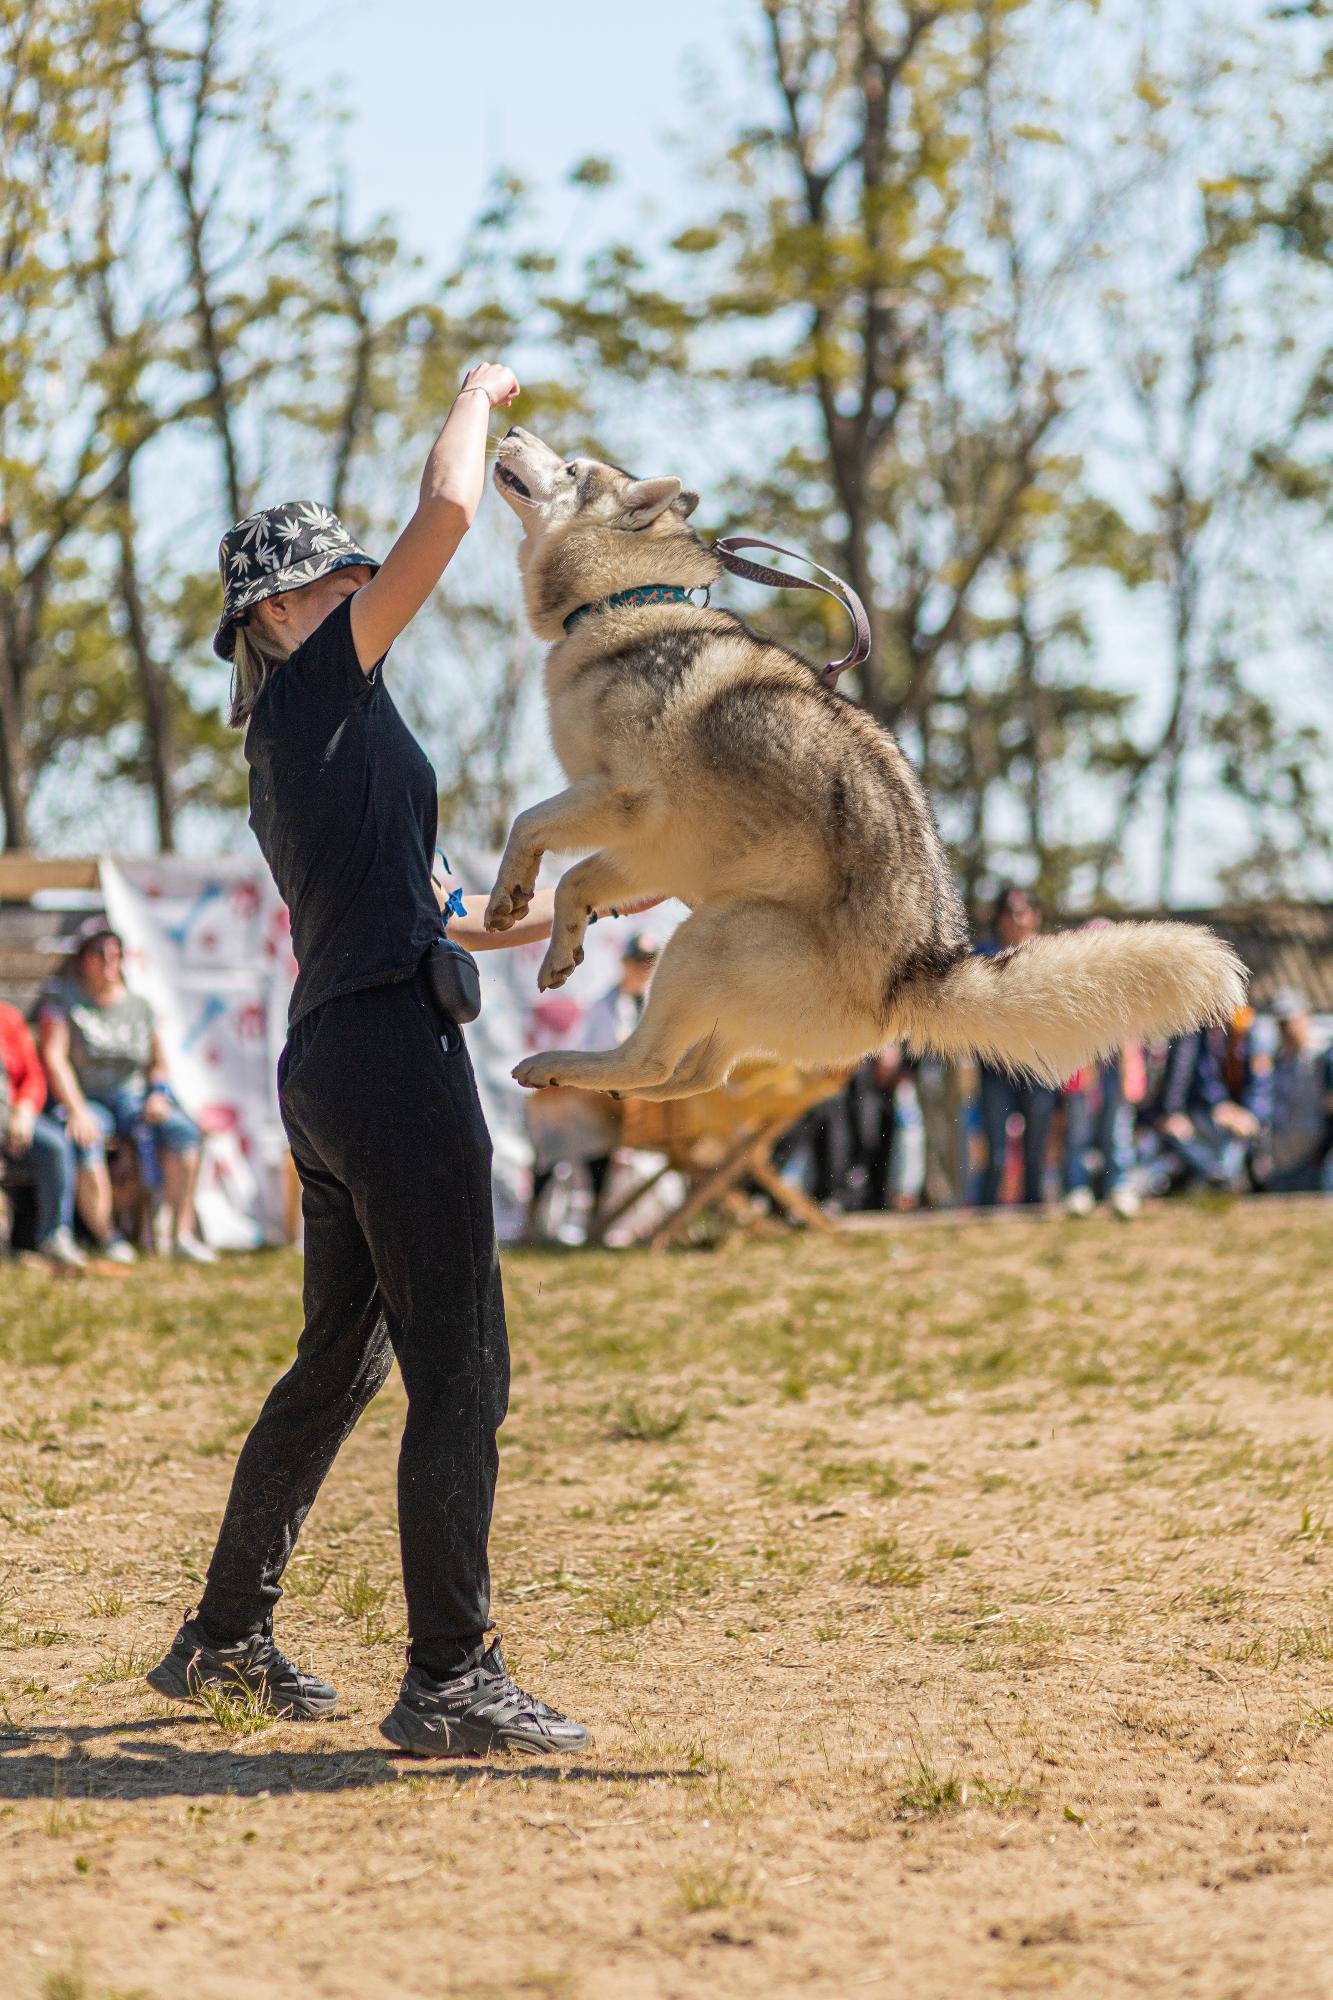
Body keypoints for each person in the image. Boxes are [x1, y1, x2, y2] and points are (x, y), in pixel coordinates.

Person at [147, 360, 591, 1760]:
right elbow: (450, 513)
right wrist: (477, 388)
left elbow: (458, 913)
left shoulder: (338, 728)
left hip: (343, 1053)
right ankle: (452, 1679)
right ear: (274, 613)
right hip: (387, 1061)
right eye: (330, 579)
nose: (355, 586)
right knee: (464, 1370)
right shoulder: (315, 694)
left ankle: (224, 1638)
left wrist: (591, 897)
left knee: (341, 1359)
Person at [38, 921, 212, 1264]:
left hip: (134, 1099)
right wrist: (76, 1109)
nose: (108, 959)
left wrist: (159, 1093)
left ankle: (182, 1236)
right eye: (99, 952)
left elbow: (158, 1061)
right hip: (88, 1098)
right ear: (82, 958)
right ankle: (109, 1236)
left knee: (184, 1132)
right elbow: (54, 1058)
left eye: (115, 952)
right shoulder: (63, 1001)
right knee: (86, 1138)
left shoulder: (139, 1005)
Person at [974, 887, 1058, 1207]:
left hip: (1039, 1067)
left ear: (1036, 915)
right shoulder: (983, 957)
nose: (1017, 918)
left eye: (1024, 910)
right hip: (995, 1068)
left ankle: (1035, 1209)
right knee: (995, 1151)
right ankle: (986, 1210)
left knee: (1036, 1148)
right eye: (1010, 911)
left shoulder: (1051, 957)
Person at [0, 998, 83, 1267]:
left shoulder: (7, 1017)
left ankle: (55, 1236)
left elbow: (33, 1076)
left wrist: (24, 1110)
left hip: (10, 1115)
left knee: (55, 1146)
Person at [1254, 988, 1333, 1194]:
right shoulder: (1276, 1061)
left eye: (1291, 1022)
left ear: (1304, 1017)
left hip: (1316, 1154)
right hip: (1281, 1157)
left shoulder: (1323, 1058)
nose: (1288, 1029)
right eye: (1282, 1024)